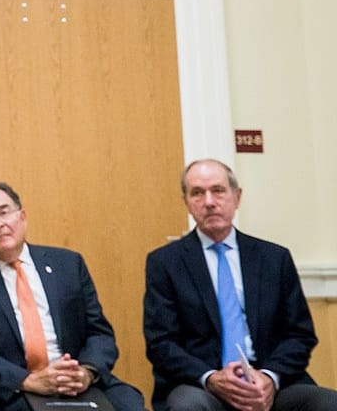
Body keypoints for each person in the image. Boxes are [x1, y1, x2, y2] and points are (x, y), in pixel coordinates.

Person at [143, 159, 337, 411]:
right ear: (187, 203)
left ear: (237, 196)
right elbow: (161, 343)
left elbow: (299, 335)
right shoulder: (166, 263)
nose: (209, 202)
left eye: (218, 190)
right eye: (198, 193)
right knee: (186, 407)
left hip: (271, 382)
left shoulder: (274, 259)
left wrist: (269, 377)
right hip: (202, 385)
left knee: (329, 403)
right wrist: (212, 378)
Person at [0, 181, 146, 411]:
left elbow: (99, 333)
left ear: (22, 216)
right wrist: (28, 380)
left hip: (78, 382)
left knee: (131, 404)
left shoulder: (68, 264)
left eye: (3, 212)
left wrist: (86, 372)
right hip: (13, 390)